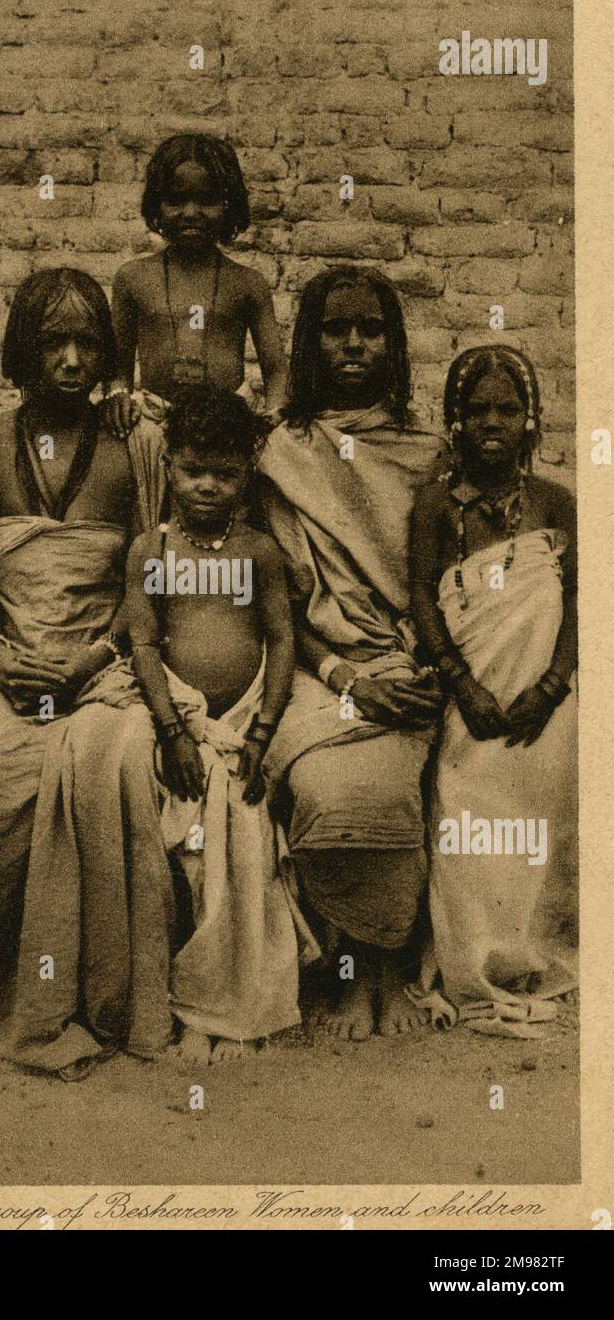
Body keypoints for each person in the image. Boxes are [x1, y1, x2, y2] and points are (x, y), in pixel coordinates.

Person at [0, 267, 173, 1076]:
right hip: (4, 654)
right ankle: (5, 980)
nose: (71, 359)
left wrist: (95, 658)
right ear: (22, 350)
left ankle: (104, 997)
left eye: (87, 343)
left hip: (104, 656)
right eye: (53, 342)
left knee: (120, 762)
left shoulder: (132, 446)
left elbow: (149, 583)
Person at [258, 265, 446, 1040]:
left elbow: (444, 587)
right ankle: (344, 969)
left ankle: (385, 971)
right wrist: (343, 677)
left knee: (390, 788)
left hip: (404, 666)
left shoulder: (425, 452)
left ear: (393, 345)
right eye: (337, 330)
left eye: (371, 330)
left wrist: (420, 672)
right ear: (310, 343)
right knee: (330, 789)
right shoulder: (284, 451)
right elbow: (281, 608)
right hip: (316, 669)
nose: (355, 345)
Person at [122, 387, 302, 1066]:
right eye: (194, 470)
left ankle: (238, 1010)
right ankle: (191, 1008)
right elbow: (143, 645)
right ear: (168, 465)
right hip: (183, 726)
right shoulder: (152, 548)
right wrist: (172, 732)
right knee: (190, 859)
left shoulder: (258, 551)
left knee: (247, 849)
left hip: (243, 726)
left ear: (247, 473)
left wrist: (259, 735)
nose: (208, 486)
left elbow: (281, 642)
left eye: (225, 473)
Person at [409, 344, 577, 1035]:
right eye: (475, 410)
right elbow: (422, 598)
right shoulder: (433, 507)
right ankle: (472, 958)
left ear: (531, 422)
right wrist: (463, 685)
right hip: (472, 699)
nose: (491, 422)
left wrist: (553, 685)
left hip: (547, 700)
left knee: (553, 799)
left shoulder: (555, 502)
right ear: (453, 422)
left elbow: (585, 600)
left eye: (508, 409)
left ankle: (537, 950)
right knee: (464, 807)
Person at [102, 133, 288, 437]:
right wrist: (118, 396)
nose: (190, 213)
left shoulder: (248, 283)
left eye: (207, 201)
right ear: (157, 205)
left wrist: (274, 415)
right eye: (176, 200)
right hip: (154, 421)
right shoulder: (132, 278)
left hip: (229, 426)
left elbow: (276, 368)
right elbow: (118, 369)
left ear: (230, 205)